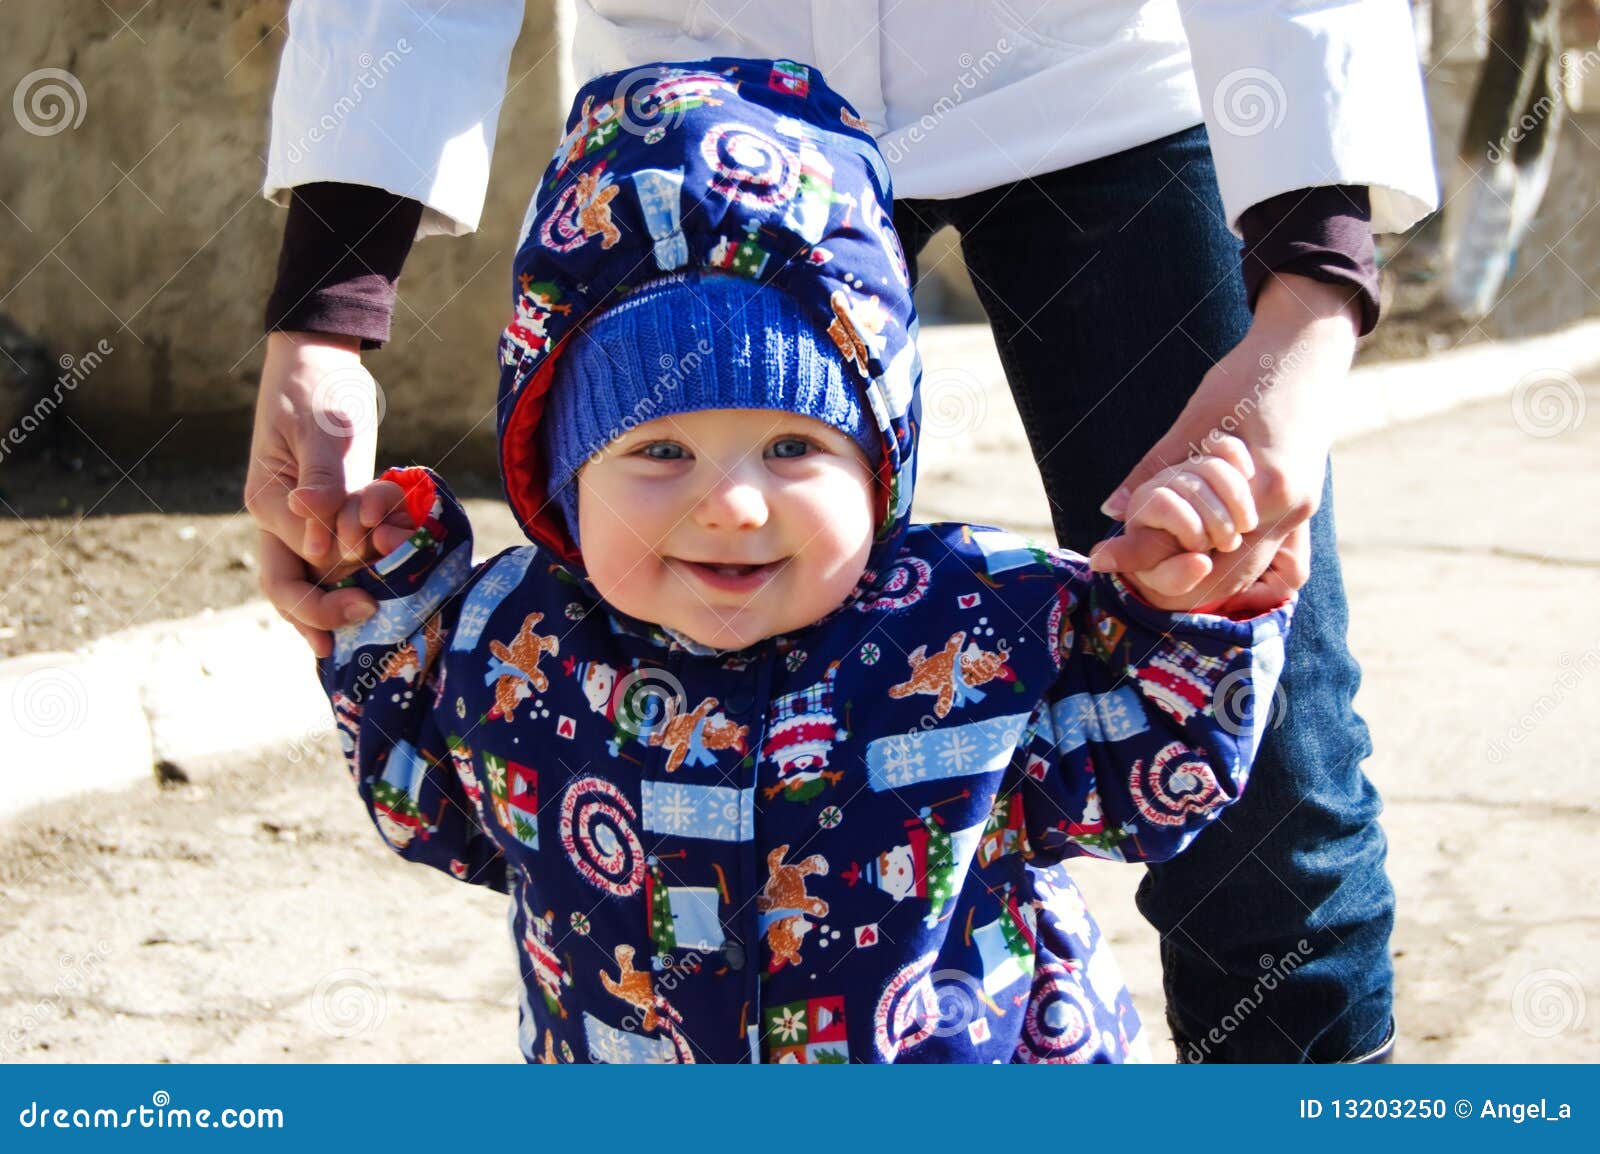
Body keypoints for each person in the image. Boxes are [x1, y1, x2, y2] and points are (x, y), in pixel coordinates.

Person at [253, 2, 1439, 1062]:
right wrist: (361, 515)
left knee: (1276, 801)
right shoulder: (519, 652)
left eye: (793, 453)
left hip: (1087, 82)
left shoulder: (970, 638)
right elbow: (431, 764)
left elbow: (1148, 746)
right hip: (684, 141)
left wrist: (1310, 289)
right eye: (661, 452)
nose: (732, 505)